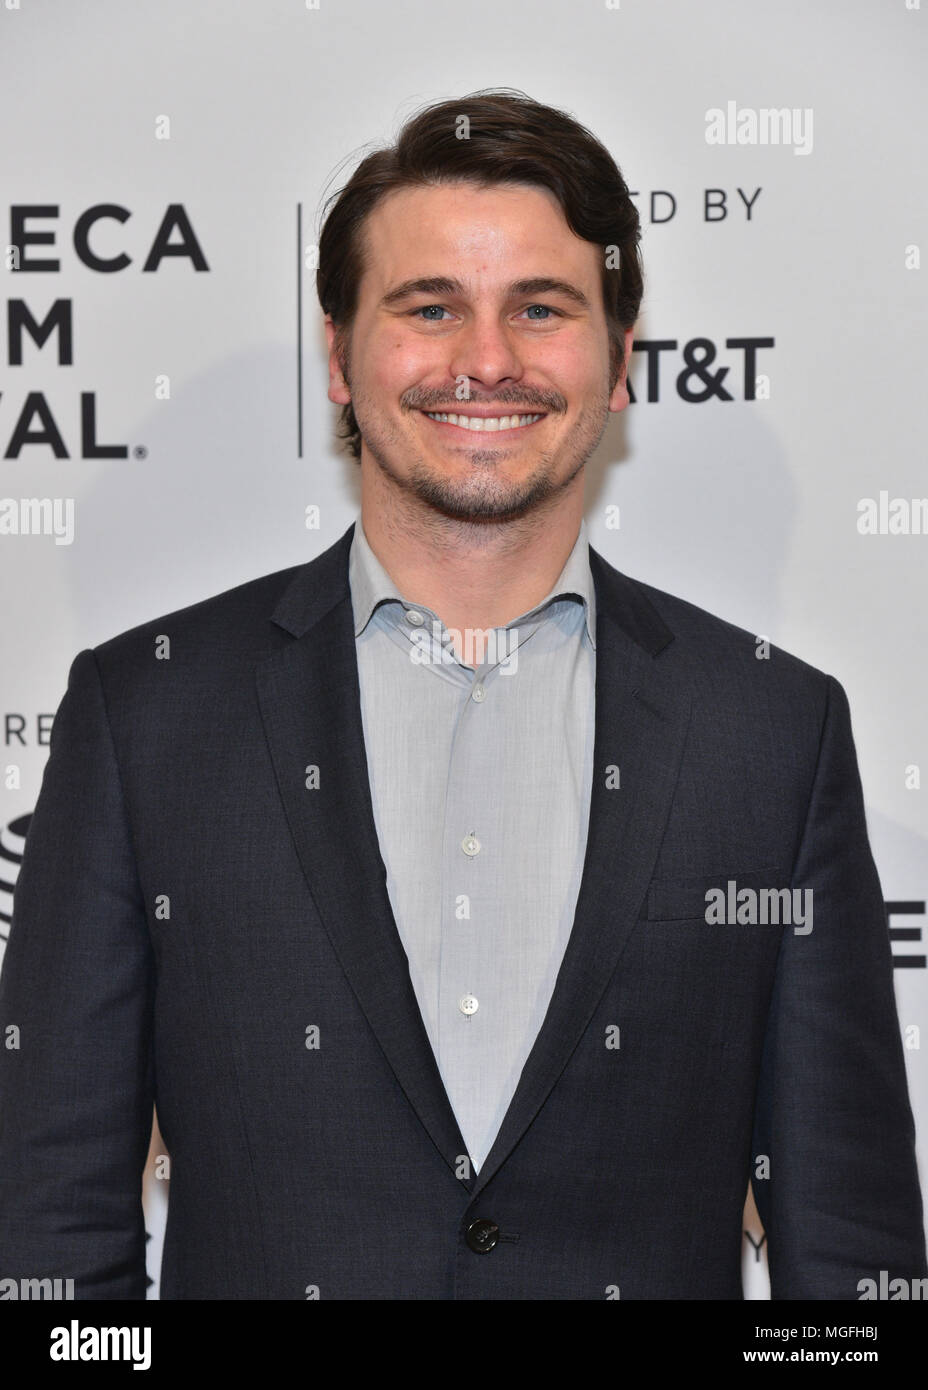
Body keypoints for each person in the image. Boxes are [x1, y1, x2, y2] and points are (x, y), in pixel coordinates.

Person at [0, 88, 924, 1301]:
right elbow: (51, 1235)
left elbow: (848, 1256)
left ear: (618, 359)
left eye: (540, 309)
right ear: (339, 356)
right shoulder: (149, 714)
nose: (484, 360)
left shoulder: (770, 730)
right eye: (429, 308)